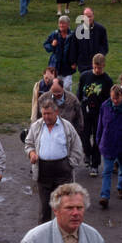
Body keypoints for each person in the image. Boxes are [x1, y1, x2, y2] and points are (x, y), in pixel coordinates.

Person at [26, 95, 84, 223]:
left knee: (63, 206)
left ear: (56, 112)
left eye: (49, 114)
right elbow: (29, 143)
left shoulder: (66, 126)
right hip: (43, 172)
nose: (46, 117)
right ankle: (44, 236)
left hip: (62, 171)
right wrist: (32, 153)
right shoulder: (36, 126)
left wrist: (70, 164)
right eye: (44, 114)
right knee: (44, 209)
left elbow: (77, 146)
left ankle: (63, 232)